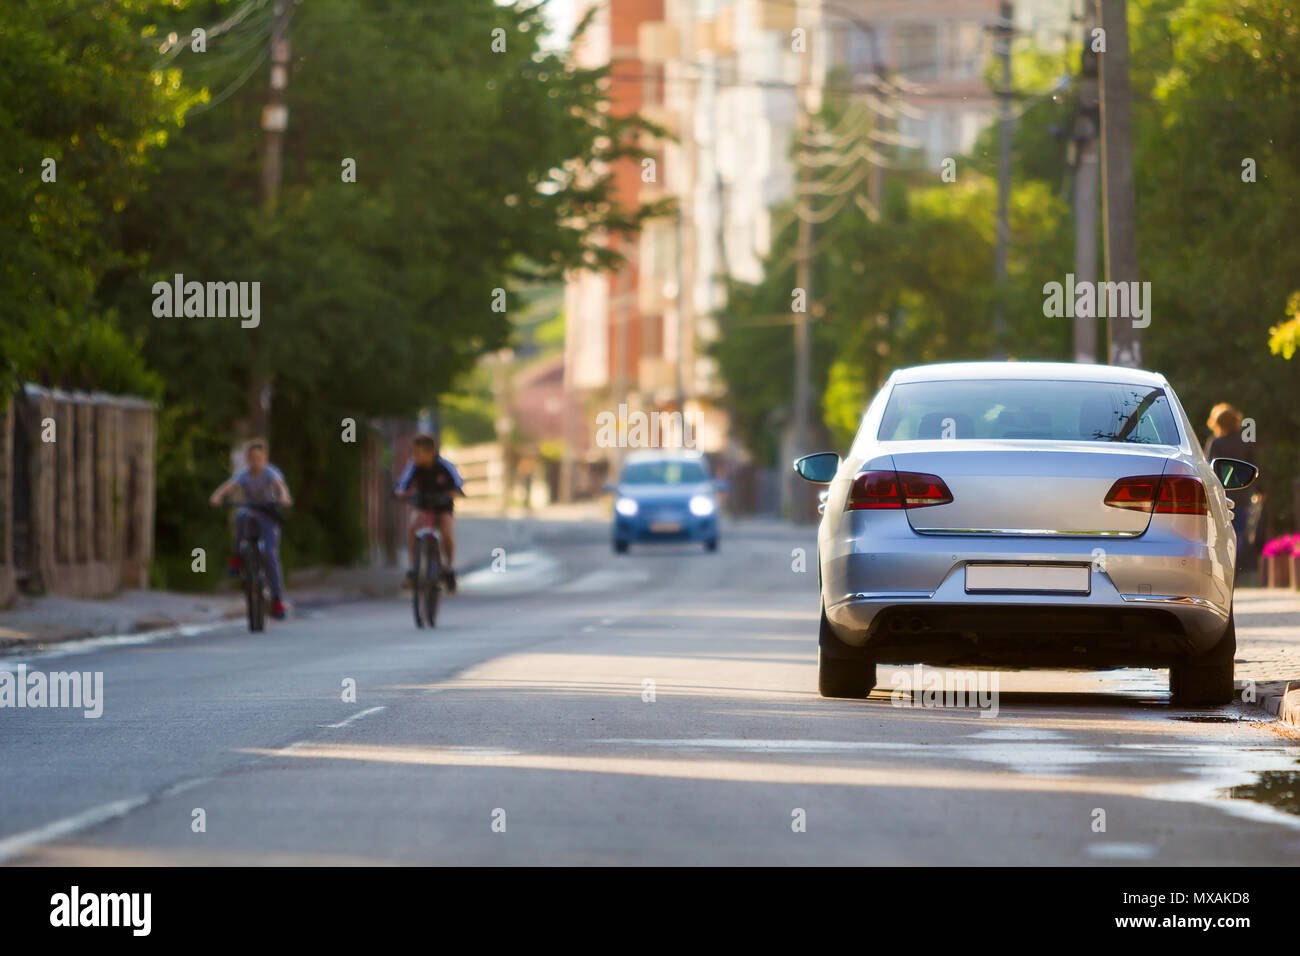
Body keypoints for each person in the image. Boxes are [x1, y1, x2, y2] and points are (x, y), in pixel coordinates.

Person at [209, 439, 293, 619]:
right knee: (240, 517)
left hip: (267, 512)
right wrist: (217, 496)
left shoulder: (271, 473)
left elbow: (280, 486)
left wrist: (284, 497)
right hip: (249, 509)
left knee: (270, 554)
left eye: (259, 459)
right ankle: (237, 558)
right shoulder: (244, 475)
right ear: (248, 460)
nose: (256, 463)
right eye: (252, 459)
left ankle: (277, 600)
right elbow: (228, 486)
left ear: (265, 460)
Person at [394, 433, 464, 591]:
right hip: (423, 504)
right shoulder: (414, 466)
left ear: (430, 452)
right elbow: (402, 484)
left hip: (443, 505)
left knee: (446, 531)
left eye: (418, 453)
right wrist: (400, 492)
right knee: (413, 528)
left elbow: (458, 483)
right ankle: (414, 569)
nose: (415, 456)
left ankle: (449, 567)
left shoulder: (445, 465)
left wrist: (454, 492)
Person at [1204, 403, 1257, 567]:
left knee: (1220, 533)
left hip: (1221, 496)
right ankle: (1236, 565)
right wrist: (1259, 490)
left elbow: (1207, 468)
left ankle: (1223, 565)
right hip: (1242, 493)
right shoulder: (1245, 441)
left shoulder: (1216, 442)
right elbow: (1253, 466)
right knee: (1238, 533)